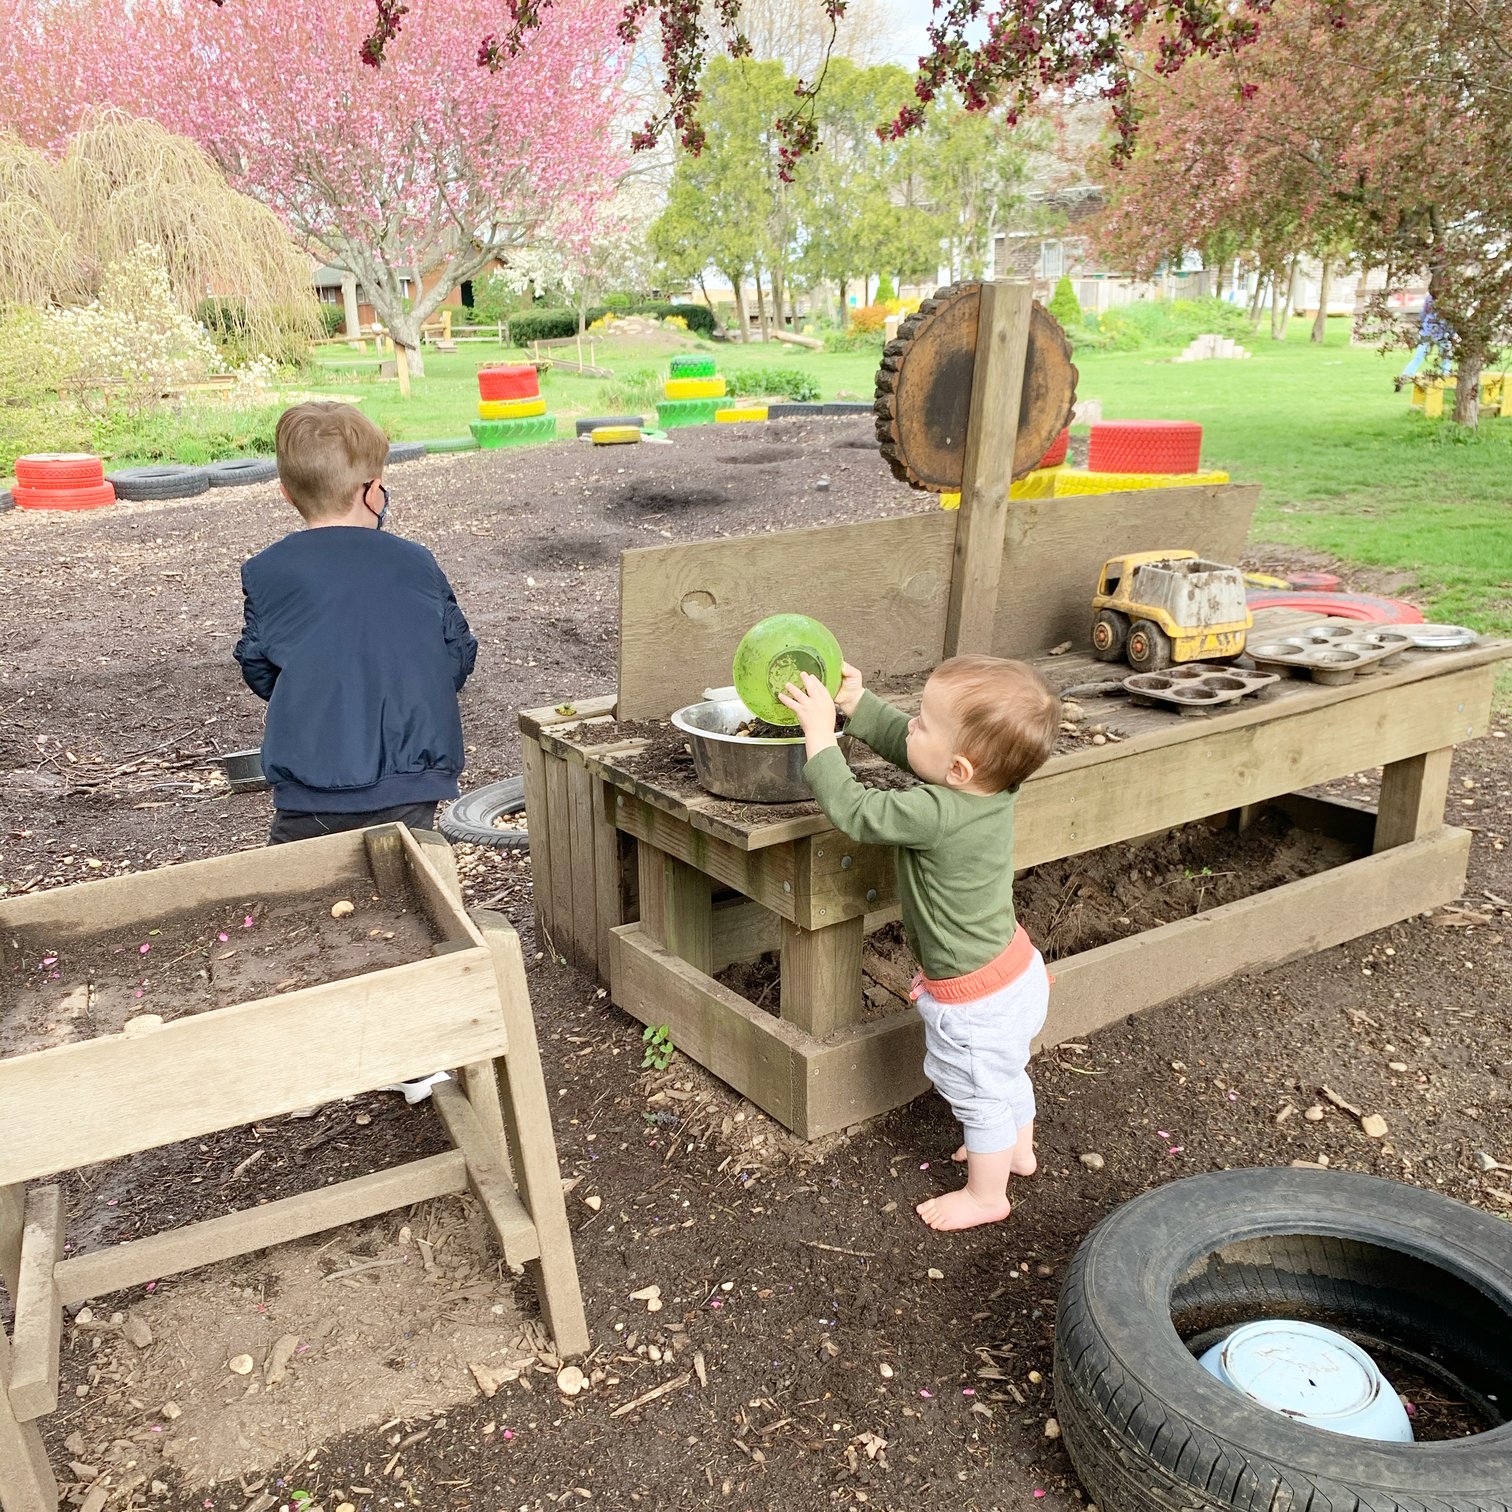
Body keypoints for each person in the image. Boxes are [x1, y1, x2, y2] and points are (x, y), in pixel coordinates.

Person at [235, 402, 478, 1102]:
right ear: (375, 490)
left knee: (307, 909)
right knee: (409, 907)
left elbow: (259, 666)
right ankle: (416, 1058)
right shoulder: (415, 562)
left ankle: (319, 1057)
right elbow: (457, 653)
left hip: (309, 787)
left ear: (286, 493)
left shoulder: (268, 571)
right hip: (409, 781)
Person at [781, 655, 1060, 1231]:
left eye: (924, 721)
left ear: (959, 767)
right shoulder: (994, 791)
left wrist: (820, 738)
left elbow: (856, 811)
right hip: (1013, 968)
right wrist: (859, 706)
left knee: (978, 1090)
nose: (910, 724)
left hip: (976, 1002)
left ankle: (988, 1195)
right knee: (1006, 1070)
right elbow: (915, 749)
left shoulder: (934, 813)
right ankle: (1016, 1152)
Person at [1396, 294, 1454, 390]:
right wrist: (1452, 333)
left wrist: (1422, 326)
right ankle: (1445, 378)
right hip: (1443, 331)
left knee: (1418, 357)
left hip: (1427, 329)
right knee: (1446, 357)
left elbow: (1423, 313)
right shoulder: (1449, 298)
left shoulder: (1429, 298)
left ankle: (1404, 377)